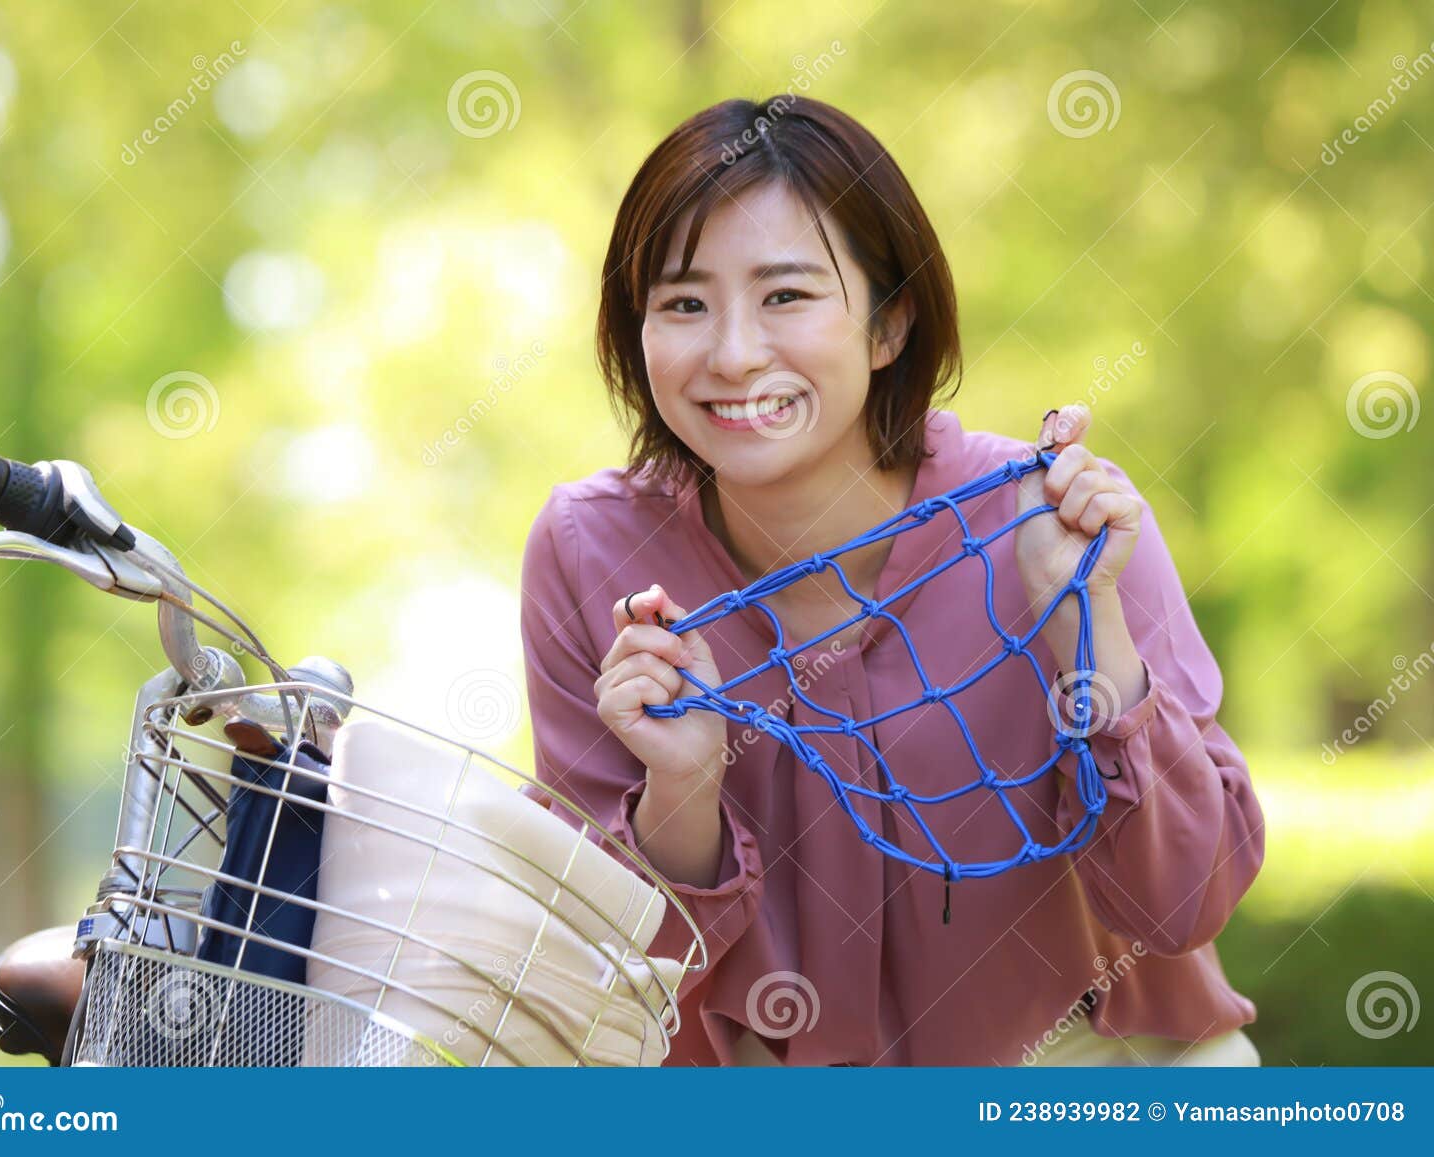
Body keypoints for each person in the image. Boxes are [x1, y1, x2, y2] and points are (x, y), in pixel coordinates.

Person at [519, 95, 1264, 1066]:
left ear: (889, 322)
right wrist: (682, 786)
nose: (734, 352)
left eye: (786, 295)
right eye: (683, 303)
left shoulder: (1055, 521)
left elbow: (1182, 902)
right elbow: (604, 981)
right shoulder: (590, 549)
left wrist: (1088, 636)